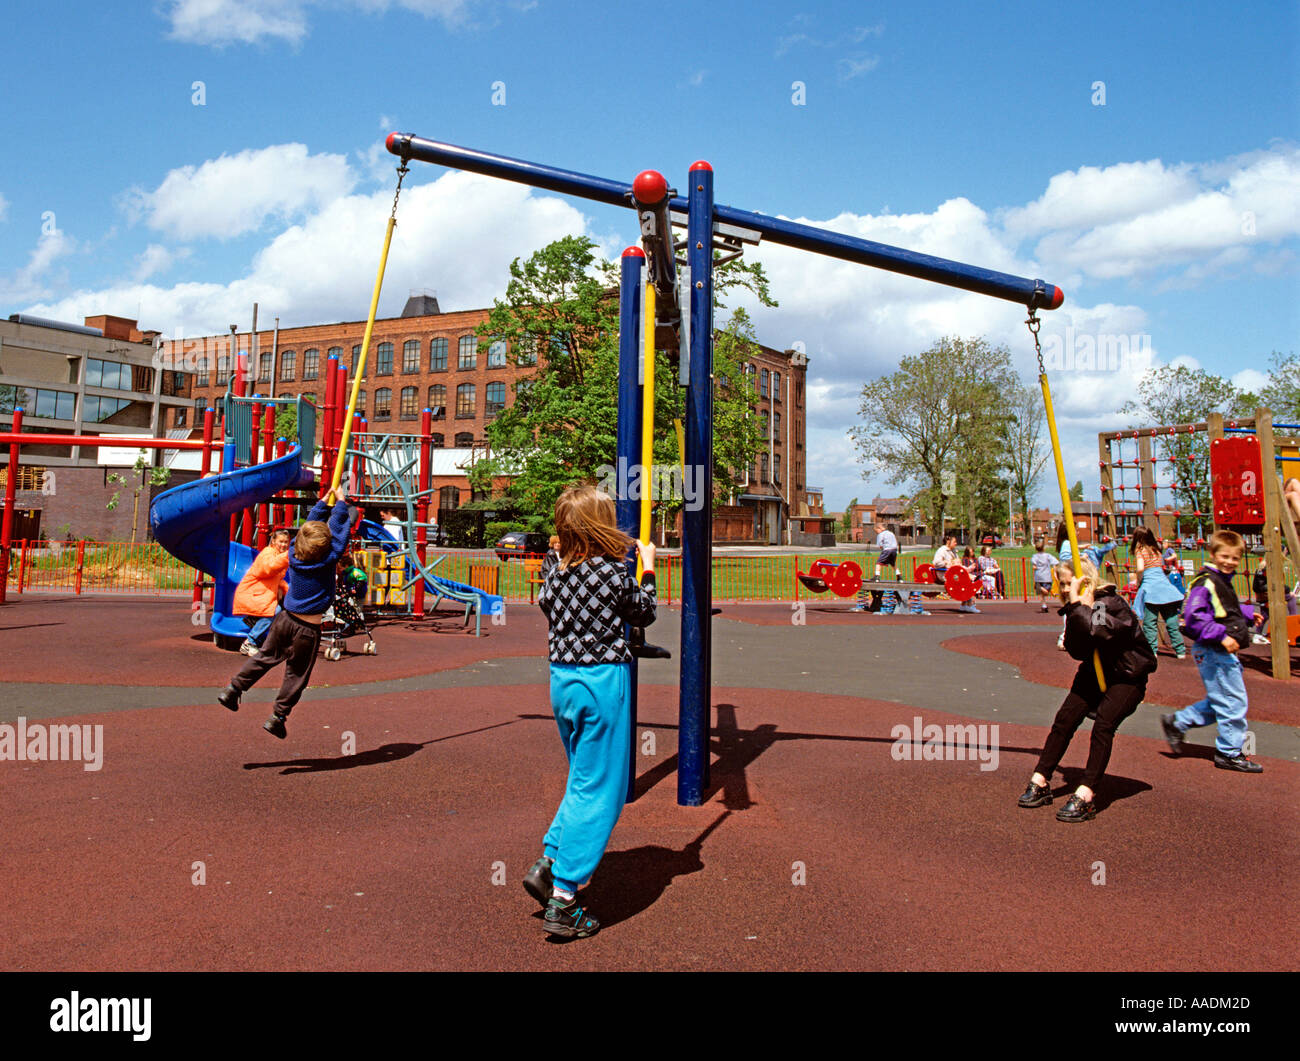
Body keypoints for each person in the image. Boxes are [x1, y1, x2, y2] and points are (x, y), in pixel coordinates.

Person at [523, 485, 657, 939]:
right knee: (602, 788)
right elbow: (644, 612)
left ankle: (551, 858)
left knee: (583, 776)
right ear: (602, 525)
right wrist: (649, 566)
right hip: (602, 681)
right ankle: (564, 896)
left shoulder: (553, 569)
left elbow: (548, 605)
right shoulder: (614, 571)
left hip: (563, 681)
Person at [1018, 559, 1157, 821]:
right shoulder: (1076, 608)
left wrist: (1080, 605)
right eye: (1063, 584)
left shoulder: (1111, 603)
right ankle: (1042, 778)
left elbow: (1100, 631)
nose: (1066, 588)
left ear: (1087, 581)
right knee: (1064, 720)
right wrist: (1075, 608)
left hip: (1127, 676)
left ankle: (1087, 793)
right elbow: (1077, 650)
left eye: (1071, 583)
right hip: (1094, 673)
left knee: (1103, 725)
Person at [217, 486, 353, 739]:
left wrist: (324, 503)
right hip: (307, 629)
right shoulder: (328, 559)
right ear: (326, 547)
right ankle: (278, 717)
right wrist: (342, 504)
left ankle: (234, 688)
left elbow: (312, 530)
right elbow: (340, 532)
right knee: (296, 674)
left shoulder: (293, 552)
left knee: (265, 657)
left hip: (284, 620)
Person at [1161, 530, 1262, 773]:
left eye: (1235, 558)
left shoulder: (1221, 581)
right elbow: (1194, 616)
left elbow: (1225, 609)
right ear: (1213, 554)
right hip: (1214, 649)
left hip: (1219, 650)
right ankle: (1229, 752)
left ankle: (1178, 722)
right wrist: (1222, 636)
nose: (1229, 562)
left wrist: (1247, 615)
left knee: (1224, 700)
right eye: (1224, 556)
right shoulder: (1206, 581)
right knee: (1234, 702)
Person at [232, 528, 291, 655]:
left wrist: (287, 590)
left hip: (260, 595)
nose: (284, 545)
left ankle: (276, 639)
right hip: (251, 595)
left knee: (284, 609)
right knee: (274, 611)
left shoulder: (277, 555)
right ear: (273, 541)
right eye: (281, 541)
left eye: (286, 542)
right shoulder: (268, 553)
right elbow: (268, 568)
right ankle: (250, 642)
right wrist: (287, 556)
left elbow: (277, 579)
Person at [1131, 526, 1186, 660]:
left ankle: (1152, 650)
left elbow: (1140, 568)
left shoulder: (1140, 551)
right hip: (1164, 586)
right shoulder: (1157, 549)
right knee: (1172, 621)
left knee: (1150, 622)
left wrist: (1139, 580)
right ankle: (1180, 650)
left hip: (1151, 588)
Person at [853, 521, 900, 612]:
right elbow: (895, 542)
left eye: (876, 531)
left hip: (887, 549)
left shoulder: (881, 535)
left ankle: (877, 576)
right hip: (894, 549)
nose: (877, 533)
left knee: (878, 563)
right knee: (893, 564)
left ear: (880, 529)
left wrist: (883, 550)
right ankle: (899, 576)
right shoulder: (891, 533)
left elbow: (880, 545)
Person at [1250, 556, 1297, 645]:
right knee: (1291, 597)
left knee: (1265, 615)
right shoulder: (1268, 567)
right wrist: (1287, 589)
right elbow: (1275, 583)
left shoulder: (1263, 566)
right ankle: (1293, 622)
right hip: (1266, 593)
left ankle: (1257, 634)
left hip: (1264, 593)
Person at [1030, 538, 1055, 612]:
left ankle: (1044, 605)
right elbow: (1054, 562)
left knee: (1042, 594)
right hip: (1046, 576)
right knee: (1046, 592)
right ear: (1044, 548)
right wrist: (1055, 568)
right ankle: (1039, 587)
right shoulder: (1047, 555)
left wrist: (1035, 566)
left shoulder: (1035, 556)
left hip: (1038, 576)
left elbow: (1034, 565)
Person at [958, 546, 982, 613]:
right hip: (969, 575)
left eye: (972, 551)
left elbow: (980, 567)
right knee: (972, 589)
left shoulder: (975, 559)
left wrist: (975, 566)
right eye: (970, 552)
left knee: (974, 587)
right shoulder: (965, 559)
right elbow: (967, 569)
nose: (972, 553)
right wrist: (972, 567)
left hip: (976, 574)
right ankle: (971, 605)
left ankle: (963, 605)